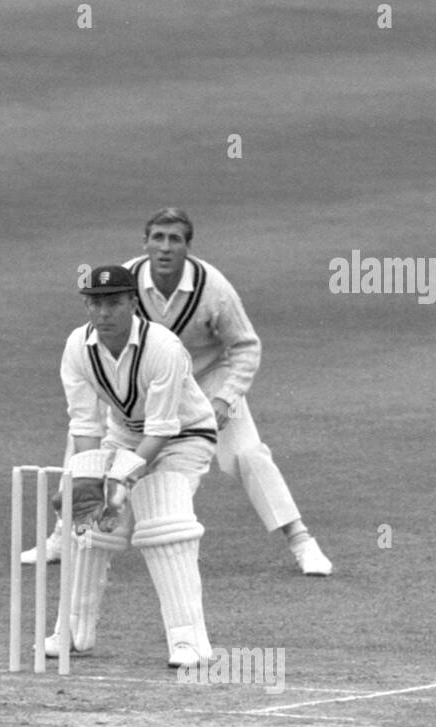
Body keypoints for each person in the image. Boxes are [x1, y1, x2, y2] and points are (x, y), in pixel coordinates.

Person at [24, 210, 332, 577]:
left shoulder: (213, 287)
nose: (165, 248)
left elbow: (246, 346)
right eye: (157, 238)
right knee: (84, 437)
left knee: (246, 453)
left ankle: (301, 541)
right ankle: (63, 535)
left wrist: (224, 398)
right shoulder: (124, 283)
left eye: (174, 240)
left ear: (188, 247)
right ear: (145, 243)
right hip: (146, 383)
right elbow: (89, 410)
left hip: (208, 383)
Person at [44, 264, 218, 666]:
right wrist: (89, 478)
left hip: (184, 436)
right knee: (88, 525)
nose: (104, 313)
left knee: (163, 522)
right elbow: (84, 423)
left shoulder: (164, 347)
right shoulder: (77, 346)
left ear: (132, 303)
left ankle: (190, 643)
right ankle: (73, 632)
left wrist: (120, 481)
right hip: (122, 435)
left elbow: (161, 429)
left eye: (114, 303)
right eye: (95, 303)